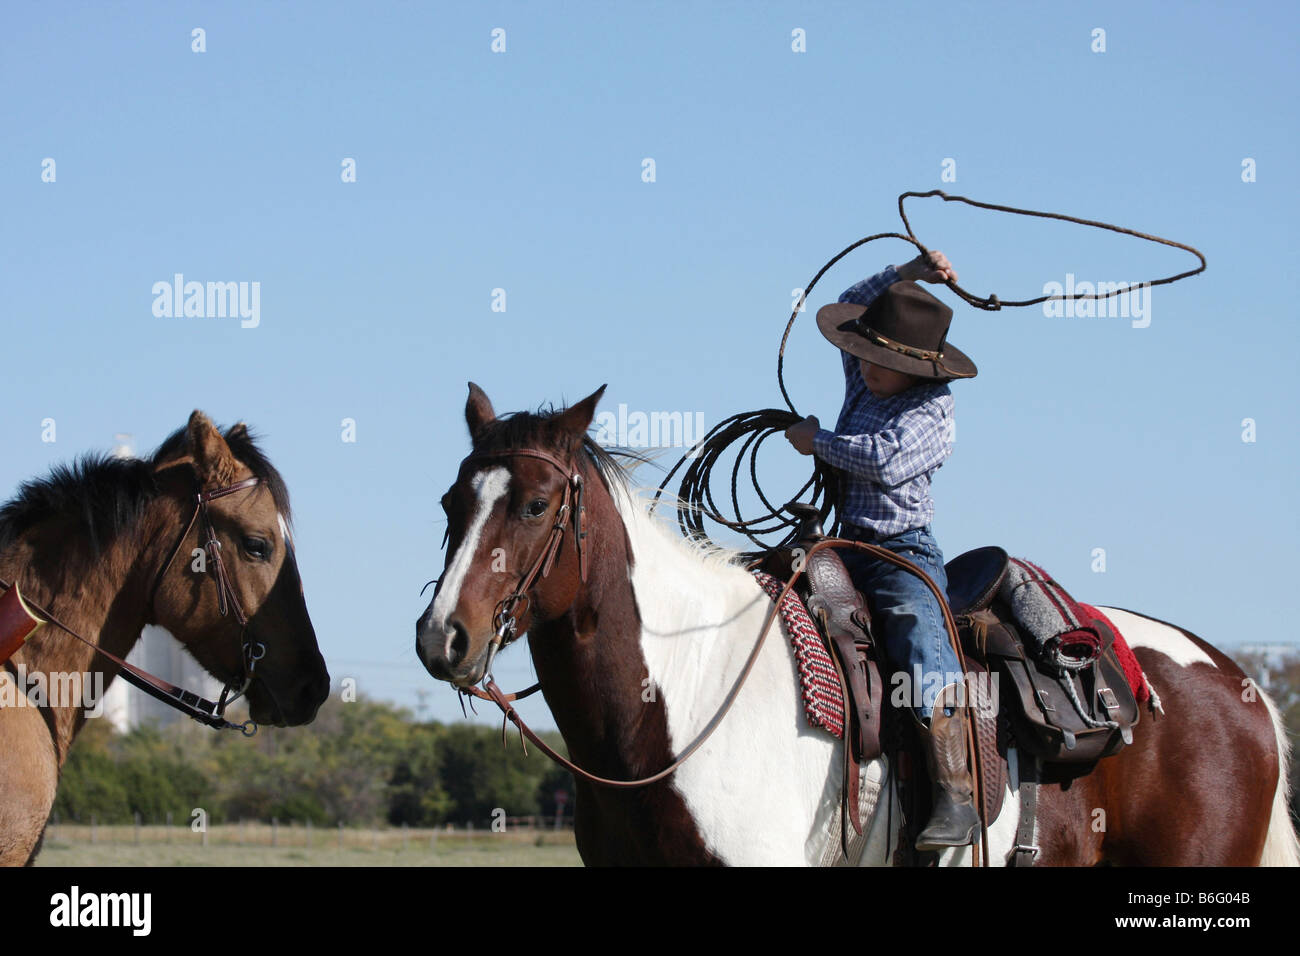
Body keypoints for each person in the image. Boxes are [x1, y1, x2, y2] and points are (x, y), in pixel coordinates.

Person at [784, 250, 980, 851]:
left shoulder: (933, 410)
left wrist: (817, 441)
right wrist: (908, 273)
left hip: (902, 553)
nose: (867, 367)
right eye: (866, 354)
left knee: (919, 636)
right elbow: (851, 298)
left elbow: (884, 459)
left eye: (883, 361)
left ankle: (956, 792)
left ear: (918, 370)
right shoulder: (864, 372)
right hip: (846, 542)